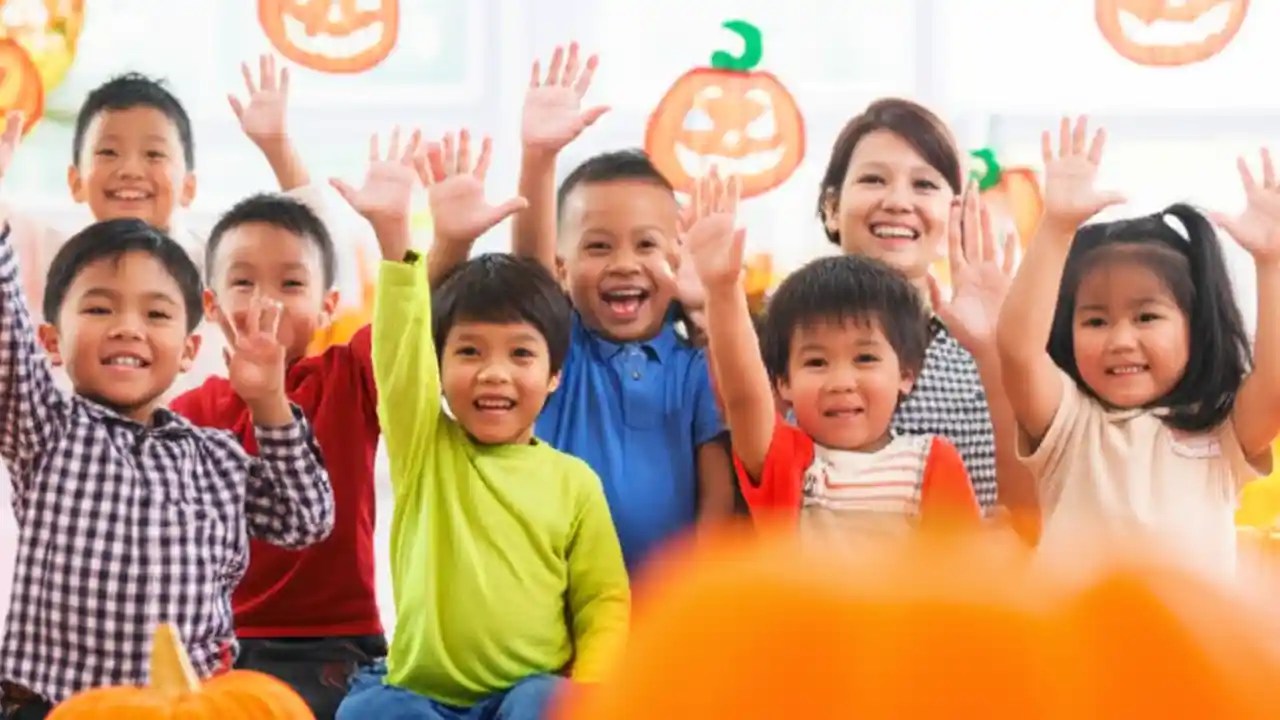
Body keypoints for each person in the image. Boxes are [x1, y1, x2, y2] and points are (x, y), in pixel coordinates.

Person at [333, 129, 629, 720]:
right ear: (438, 371)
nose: (494, 374)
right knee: (368, 713)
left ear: (553, 376)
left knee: (544, 698)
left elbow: (603, 600)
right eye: (469, 353)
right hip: (421, 698)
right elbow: (397, 355)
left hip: (524, 699)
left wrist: (594, 687)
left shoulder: (573, 482)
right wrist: (396, 243)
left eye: (520, 355)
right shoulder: (423, 446)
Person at [0, 217, 333, 718]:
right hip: (56, 706)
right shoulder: (48, 429)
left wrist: (268, 401)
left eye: (156, 314)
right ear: (50, 341)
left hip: (189, 706)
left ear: (189, 350)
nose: (128, 327)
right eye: (98, 307)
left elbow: (306, 518)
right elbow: (7, 340)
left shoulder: (217, 457)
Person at [997, 116, 1280, 581]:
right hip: (1075, 651)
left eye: (1147, 317)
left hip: (1188, 652)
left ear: (1196, 327)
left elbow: (1272, 385)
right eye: (1095, 320)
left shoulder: (1221, 431)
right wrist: (1055, 228)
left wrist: (1270, 264)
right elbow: (1017, 350)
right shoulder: (1067, 422)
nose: (1120, 340)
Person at [504, 44, 735, 571]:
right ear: (562, 268)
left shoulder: (698, 367)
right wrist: (538, 158)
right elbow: (529, 276)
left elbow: (717, 501)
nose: (624, 264)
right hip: (556, 622)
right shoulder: (556, 357)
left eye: (647, 245)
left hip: (666, 622)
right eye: (598, 246)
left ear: (679, 259)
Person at [169, 193, 382, 720]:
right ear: (211, 305)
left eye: (291, 283)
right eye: (244, 282)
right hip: (223, 641)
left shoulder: (349, 375)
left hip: (338, 642)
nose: (268, 300)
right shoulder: (188, 411)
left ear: (328, 305)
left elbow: (412, 324)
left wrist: (404, 231)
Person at [686, 170, 980, 541]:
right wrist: (721, 288)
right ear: (783, 381)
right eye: (816, 362)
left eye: (865, 358)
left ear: (906, 372)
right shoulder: (786, 459)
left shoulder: (931, 462)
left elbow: (965, 573)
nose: (841, 382)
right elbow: (743, 397)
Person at [817, 98, 1031, 529]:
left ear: (956, 212)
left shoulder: (988, 348)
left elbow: (1034, 508)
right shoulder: (789, 341)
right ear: (831, 207)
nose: (898, 202)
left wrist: (995, 352)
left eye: (925, 185)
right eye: (874, 179)